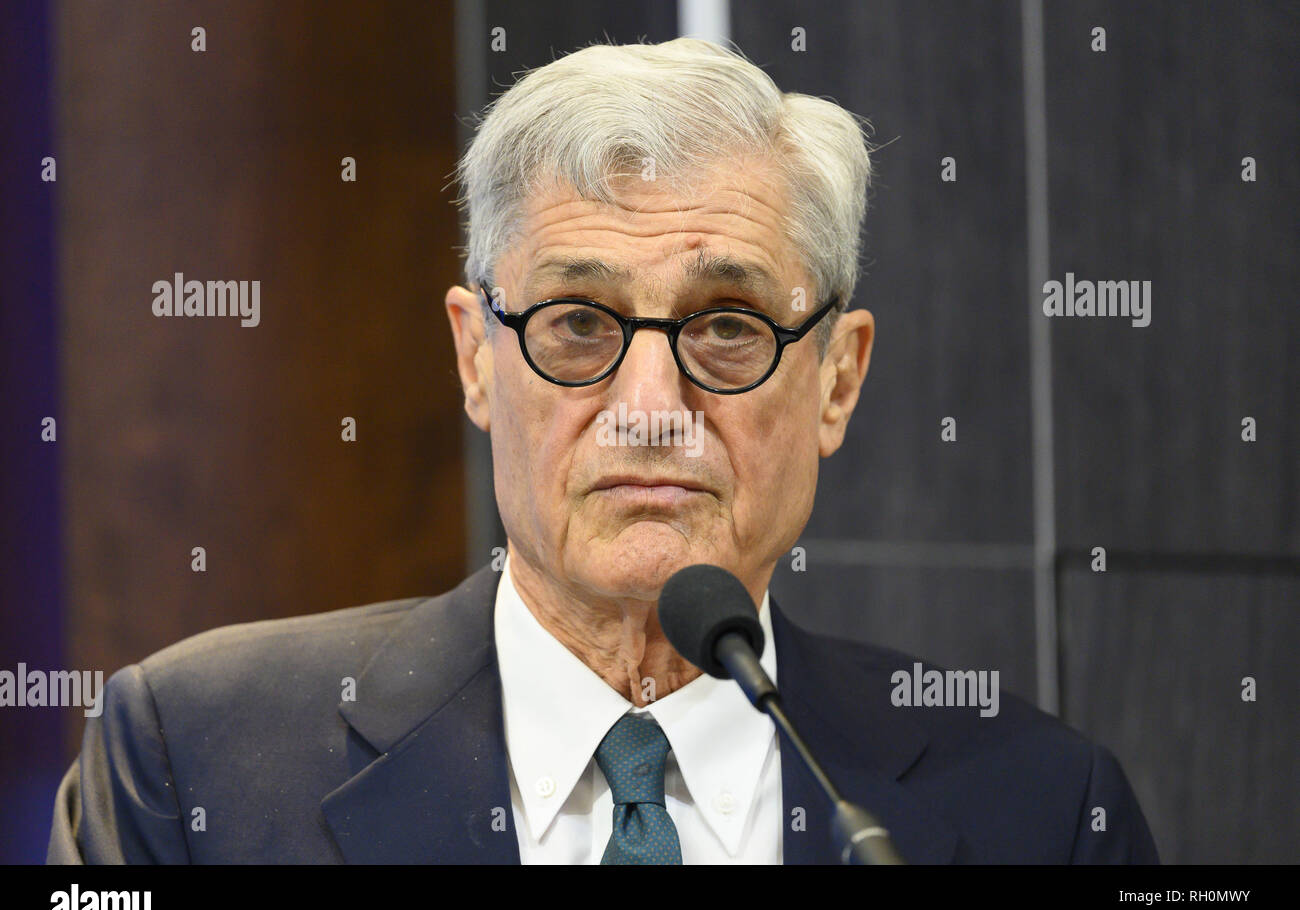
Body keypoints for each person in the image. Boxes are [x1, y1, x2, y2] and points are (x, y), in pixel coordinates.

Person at [47, 37, 1157, 864]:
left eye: (727, 325)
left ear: (837, 379)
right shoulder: (193, 757)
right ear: (476, 359)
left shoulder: (1043, 812)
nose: (649, 407)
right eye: (579, 322)